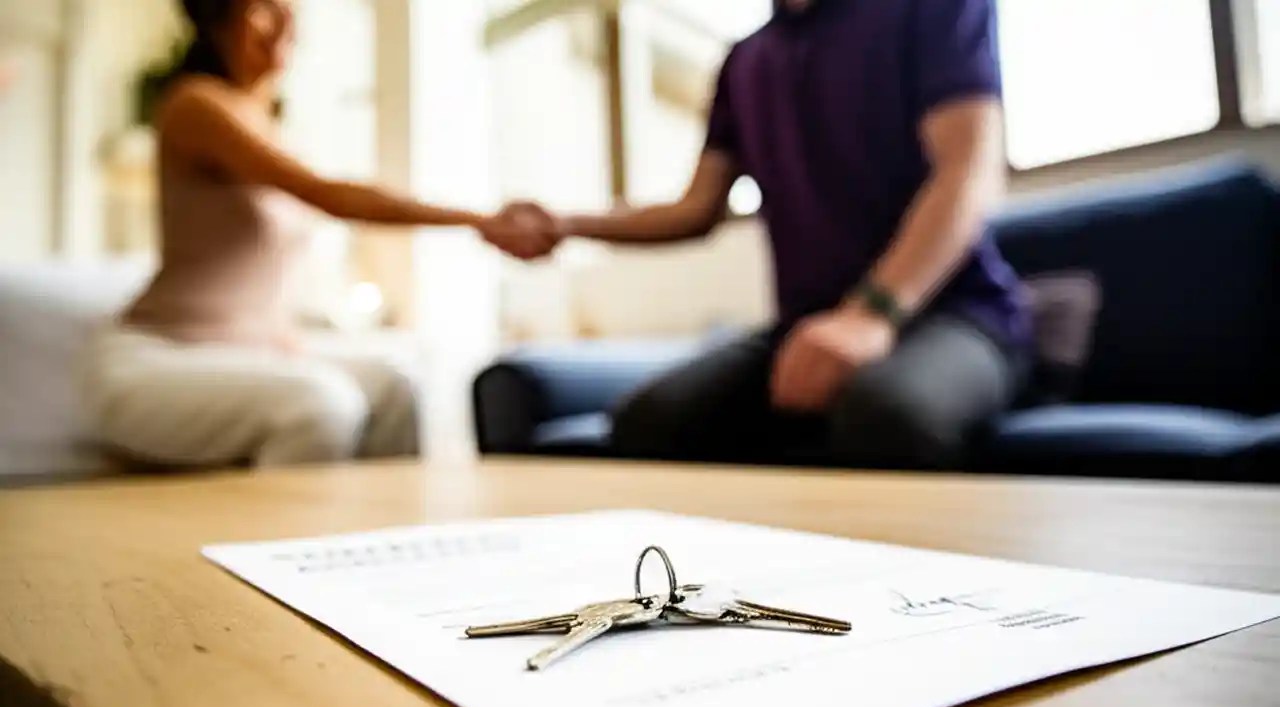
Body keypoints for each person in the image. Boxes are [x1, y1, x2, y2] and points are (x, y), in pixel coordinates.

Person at [496, 0, 1032, 469]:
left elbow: (968, 168)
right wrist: (564, 225)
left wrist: (868, 314)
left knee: (887, 415)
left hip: (954, 315)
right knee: (652, 423)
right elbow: (694, 209)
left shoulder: (931, 7)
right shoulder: (745, 62)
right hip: (805, 328)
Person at [83, 0, 555, 469]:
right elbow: (327, 195)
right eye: (259, 9)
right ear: (215, 20)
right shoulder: (196, 104)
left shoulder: (269, 122)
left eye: (286, 7)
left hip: (248, 354)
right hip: (158, 362)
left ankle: (381, 540)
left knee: (397, 384)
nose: (282, 22)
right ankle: (274, 544)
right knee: (319, 404)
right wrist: (479, 221)